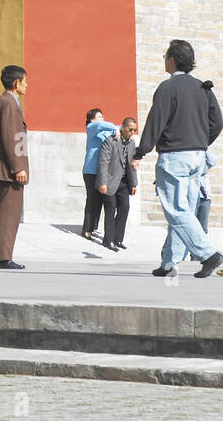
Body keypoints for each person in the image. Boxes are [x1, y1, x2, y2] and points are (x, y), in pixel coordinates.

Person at [133, 40, 223, 278]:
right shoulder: (203, 88)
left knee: (176, 211)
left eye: (165, 56)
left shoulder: (168, 87)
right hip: (197, 157)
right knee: (186, 210)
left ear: (172, 59)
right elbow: (218, 122)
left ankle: (209, 255)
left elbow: (156, 121)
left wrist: (141, 150)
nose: (164, 60)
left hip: (175, 157)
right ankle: (169, 263)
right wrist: (202, 141)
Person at [0, 64, 29, 270]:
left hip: (3, 168)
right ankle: (2, 257)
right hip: (8, 169)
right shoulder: (9, 104)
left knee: (2, 212)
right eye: (24, 81)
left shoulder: (1, 102)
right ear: (16, 83)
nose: (26, 85)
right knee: (7, 213)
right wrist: (18, 167)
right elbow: (12, 138)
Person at [96, 117, 138, 251]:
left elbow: (132, 164)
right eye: (130, 129)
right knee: (110, 209)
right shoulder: (111, 141)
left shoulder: (132, 143)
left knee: (125, 208)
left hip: (124, 182)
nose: (132, 132)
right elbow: (103, 163)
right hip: (109, 181)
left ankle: (118, 239)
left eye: (134, 130)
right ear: (123, 127)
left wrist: (134, 184)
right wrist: (103, 182)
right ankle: (108, 241)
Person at [81, 108, 118, 242]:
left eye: (102, 117)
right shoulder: (91, 128)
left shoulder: (105, 132)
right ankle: (86, 229)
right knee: (92, 200)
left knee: (99, 201)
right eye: (99, 117)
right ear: (91, 119)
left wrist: (122, 129)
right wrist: (114, 127)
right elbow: (102, 125)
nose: (101, 119)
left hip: (102, 171)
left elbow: (119, 128)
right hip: (90, 171)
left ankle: (93, 227)